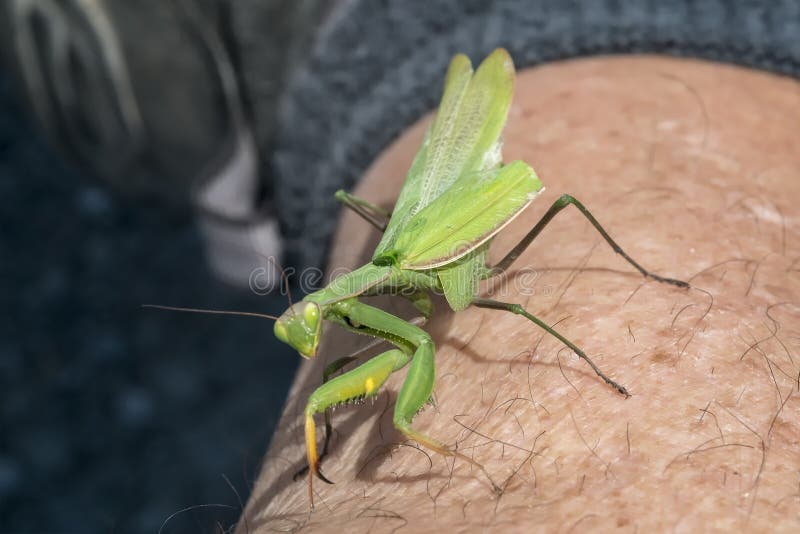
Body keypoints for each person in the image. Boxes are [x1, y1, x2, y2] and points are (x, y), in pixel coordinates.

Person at [238, 55, 800, 531]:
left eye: (308, 322)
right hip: (420, 228)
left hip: (447, 220)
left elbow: (413, 336)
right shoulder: (364, 292)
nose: (310, 335)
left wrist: (597, 368)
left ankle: (638, 278)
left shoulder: (385, 273)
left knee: (518, 280)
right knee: (349, 361)